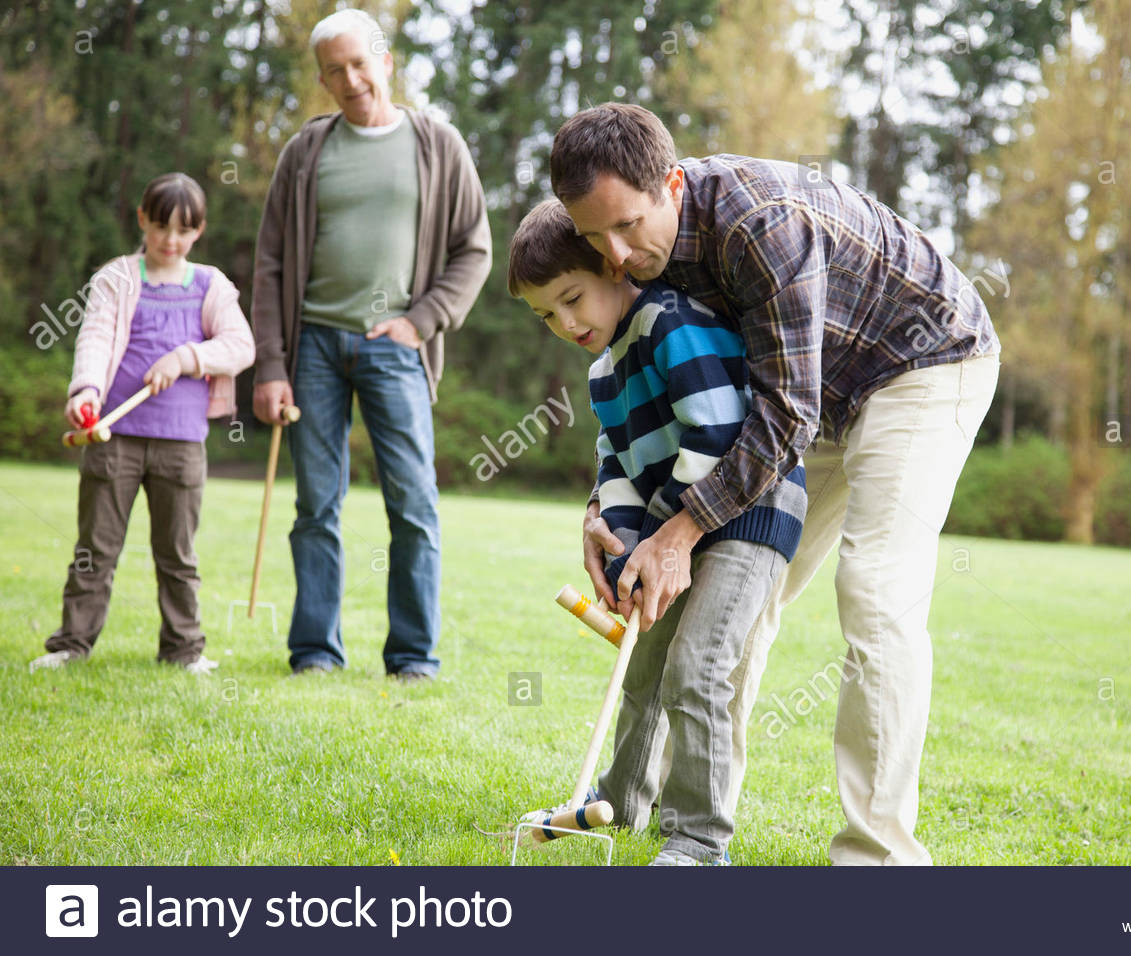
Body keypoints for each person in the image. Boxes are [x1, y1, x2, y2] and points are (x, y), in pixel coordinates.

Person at [550, 103, 1001, 865]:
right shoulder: (643, 257)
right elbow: (644, 393)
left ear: (670, 181)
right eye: (595, 240)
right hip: (806, 392)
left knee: (875, 591)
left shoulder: (759, 225)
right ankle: (645, 808)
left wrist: (681, 529)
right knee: (737, 593)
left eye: (627, 227)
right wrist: (603, 510)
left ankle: (878, 858)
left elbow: (786, 413)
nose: (616, 257)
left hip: (921, 362)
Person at [507, 199, 806, 865]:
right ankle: (619, 799)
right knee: (643, 666)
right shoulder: (604, 370)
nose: (566, 323)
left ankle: (699, 840)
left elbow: (717, 428)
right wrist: (618, 544)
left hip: (748, 515)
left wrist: (660, 531)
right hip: (674, 527)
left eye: (573, 298)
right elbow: (617, 463)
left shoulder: (668, 322)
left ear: (612, 267)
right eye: (546, 314)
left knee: (697, 666)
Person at [251, 9, 491, 679]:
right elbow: (269, 265)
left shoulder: (438, 143)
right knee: (315, 505)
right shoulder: (305, 152)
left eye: (359, 62)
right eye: (335, 69)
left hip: (395, 348)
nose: (350, 78)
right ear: (324, 78)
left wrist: (423, 319)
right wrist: (271, 365)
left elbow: (474, 248)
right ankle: (315, 652)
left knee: (413, 502)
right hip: (314, 348)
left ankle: (413, 656)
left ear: (385, 62)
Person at [31, 172, 255, 676]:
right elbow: (93, 337)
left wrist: (185, 357)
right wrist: (86, 390)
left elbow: (241, 347)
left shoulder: (210, 285)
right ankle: (71, 645)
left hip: (182, 444)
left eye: (182, 231)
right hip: (117, 441)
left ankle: (184, 649)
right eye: (160, 228)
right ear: (142, 221)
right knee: (96, 548)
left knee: (178, 554)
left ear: (198, 231)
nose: (170, 241)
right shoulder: (117, 277)